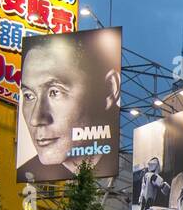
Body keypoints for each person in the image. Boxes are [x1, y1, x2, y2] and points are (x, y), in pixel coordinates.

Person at [18, 29, 121, 182]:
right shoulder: (27, 173)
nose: (35, 118)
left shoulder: (127, 165)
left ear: (109, 90)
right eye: (29, 96)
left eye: (55, 92)